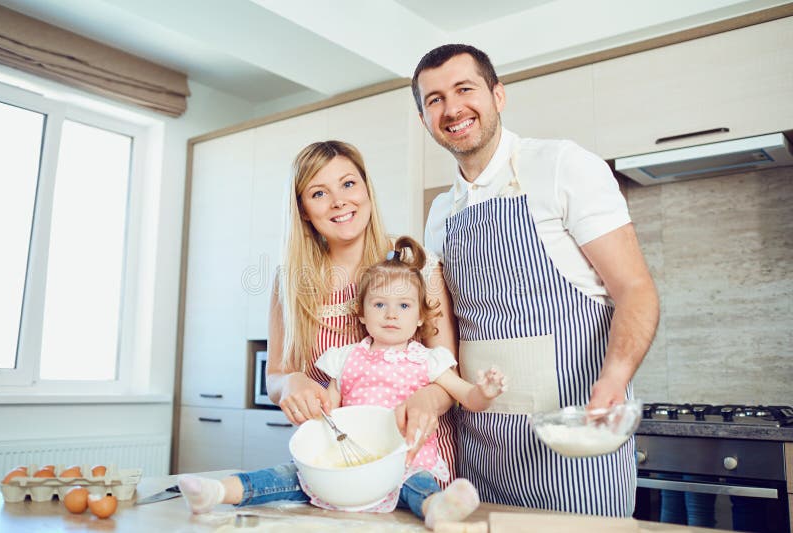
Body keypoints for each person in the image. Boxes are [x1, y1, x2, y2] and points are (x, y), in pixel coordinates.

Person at [411, 44, 660, 517]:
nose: (452, 108)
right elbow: (441, 334)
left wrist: (615, 376)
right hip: (481, 453)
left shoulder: (563, 165)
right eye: (434, 99)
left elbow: (636, 289)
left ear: (498, 95)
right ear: (424, 119)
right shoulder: (440, 214)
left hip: (576, 449)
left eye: (465, 89)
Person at [179, 236, 508, 528]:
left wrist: (486, 391)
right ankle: (219, 491)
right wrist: (309, 409)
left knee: (419, 485)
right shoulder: (346, 358)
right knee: (285, 477)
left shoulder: (428, 360)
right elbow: (328, 412)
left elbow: (468, 397)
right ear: (362, 313)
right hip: (345, 468)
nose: (391, 314)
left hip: (402, 463)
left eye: (404, 306)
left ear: (420, 316)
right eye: (380, 304)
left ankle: (438, 509)